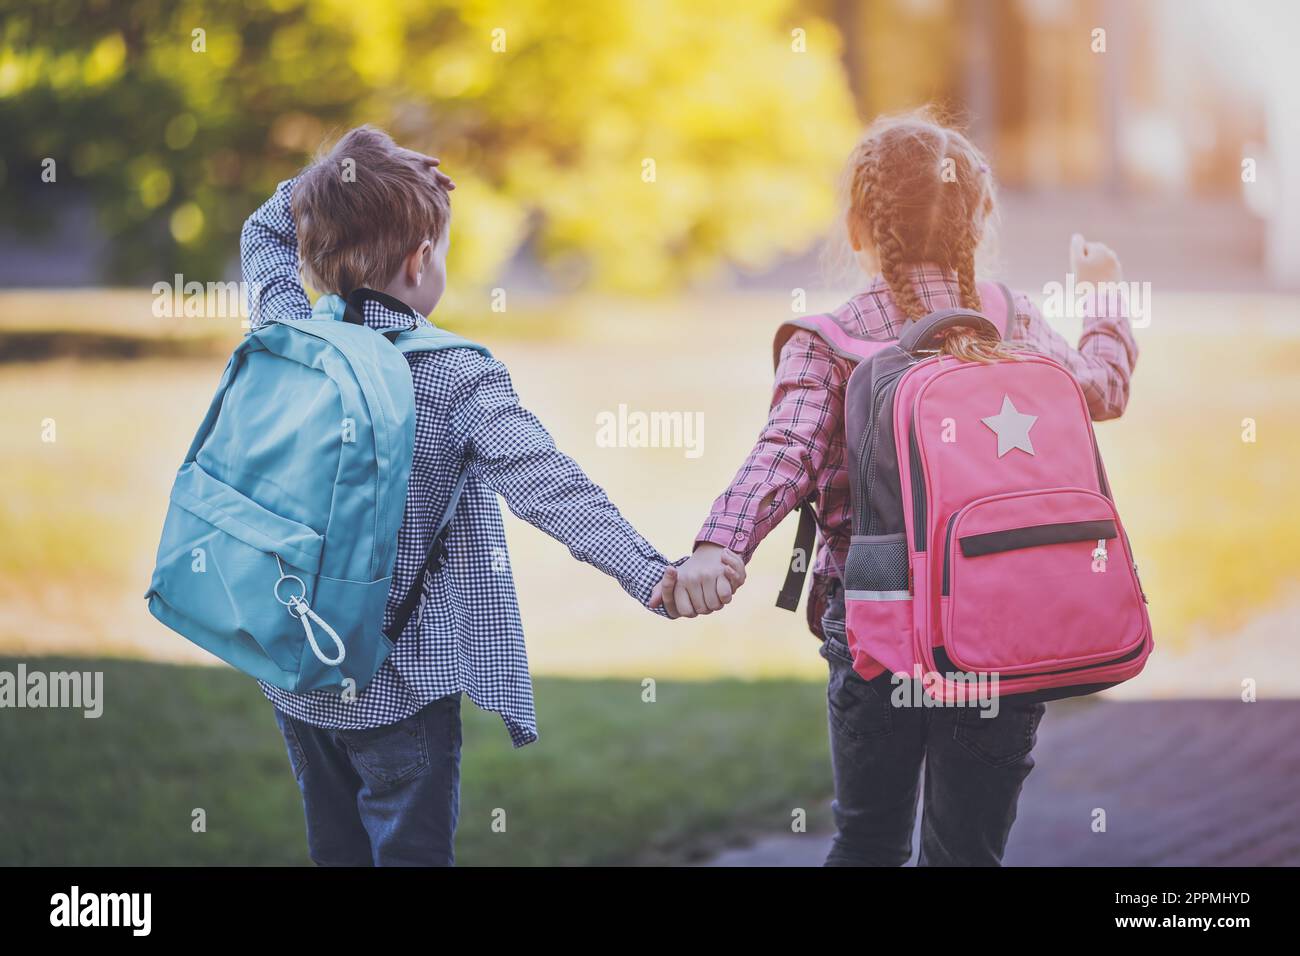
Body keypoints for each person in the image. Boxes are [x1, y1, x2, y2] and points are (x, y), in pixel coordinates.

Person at [658, 108, 1138, 866]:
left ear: (859, 227)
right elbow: (1103, 393)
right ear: (976, 223)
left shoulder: (831, 338)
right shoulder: (1011, 321)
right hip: (1003, 623)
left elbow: (785, 455)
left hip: (879, 629)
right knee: (967, 853)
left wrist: (722, 545)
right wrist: (1103, 296)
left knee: (870, 842)